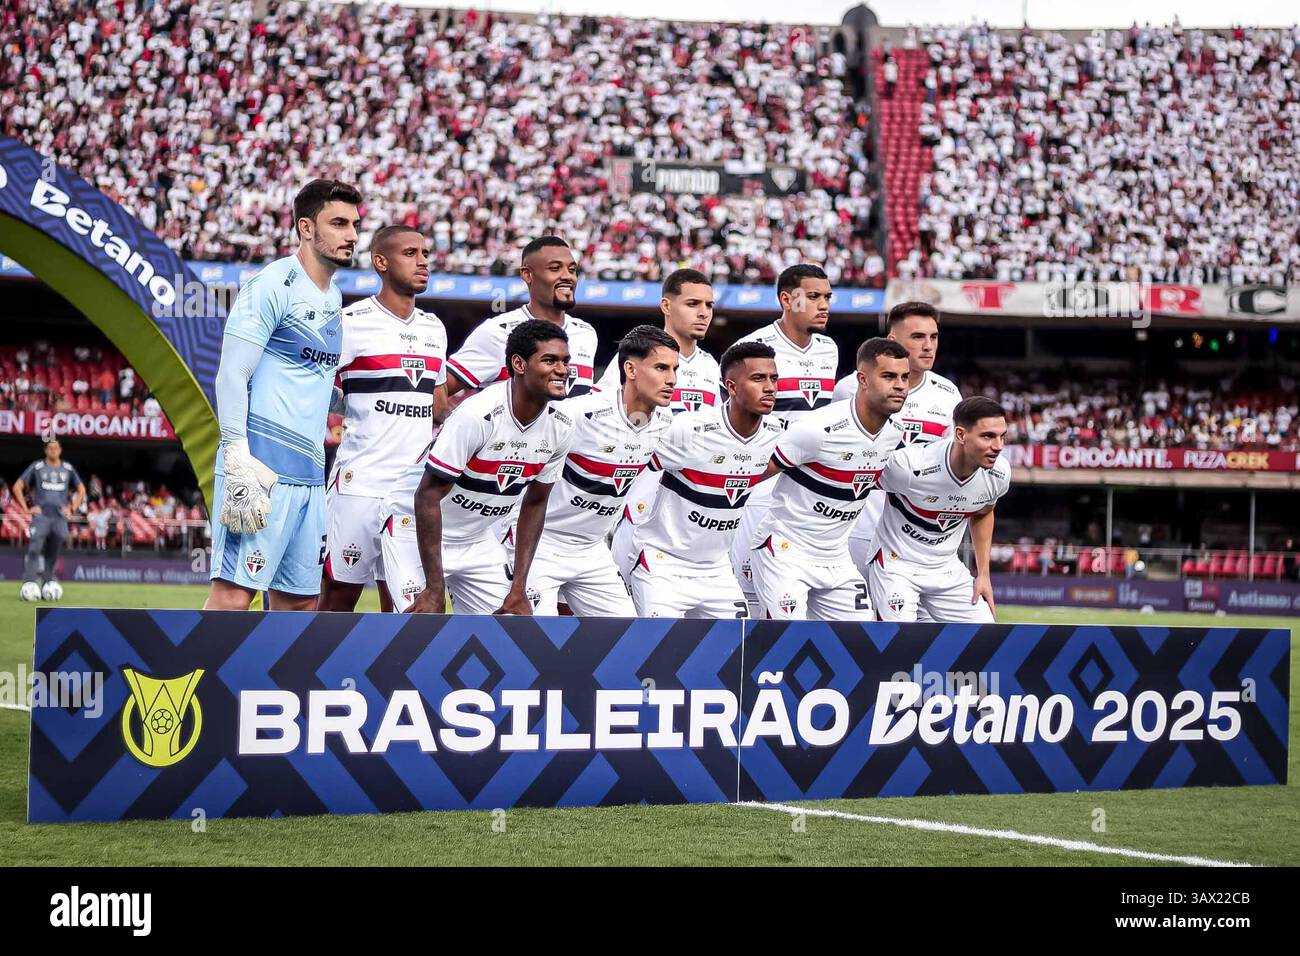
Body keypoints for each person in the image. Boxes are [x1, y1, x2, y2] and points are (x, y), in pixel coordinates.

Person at [203, 178, 362, 611]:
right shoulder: (270, 285)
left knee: (300, 604)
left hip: (310, 474)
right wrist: (237, 457)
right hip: (260, 469)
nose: (351, 235)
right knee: (234, 597)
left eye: (355, 224)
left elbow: (312, 378)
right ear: (306, 229)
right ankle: (195, 680)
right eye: (339, 223)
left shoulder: (333, 295)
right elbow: (231, 373)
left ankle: (265, 684)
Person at [395, 320, 576, 614]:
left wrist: (519, 586)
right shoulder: (476, 415)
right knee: (418, 634)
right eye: (549, 360)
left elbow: (536, 503)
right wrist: (435, 587)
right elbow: (426, 496)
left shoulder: (562, 426)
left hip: (477, 537)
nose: (562, 369)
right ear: (519, 364)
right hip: (411, 528)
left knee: (507, 636)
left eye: (565, 361)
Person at [319, 226, 448, 613]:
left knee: (406, 607)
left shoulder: (434, 328)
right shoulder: (349, 321)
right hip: (360, 483)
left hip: (412, 490)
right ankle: (313, 674)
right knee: (338, 600)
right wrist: (355, 404)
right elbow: (315, 388)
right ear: (381, 262)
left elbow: (438, 405)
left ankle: (394, 676)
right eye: (410, 253)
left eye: (425, 253)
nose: (423, 260)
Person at [751, 339, 909, 620]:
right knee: (782, 646)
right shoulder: (816, 429)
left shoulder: (893, 436)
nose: (900, 385)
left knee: (860, 644)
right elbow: (751, 475)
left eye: (904, 377)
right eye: (888, 376)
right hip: (786, 552)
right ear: (863, 379)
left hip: (837, 559)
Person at [527, 326, 677, 616]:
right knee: (533, 642)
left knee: (627, 644)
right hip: (540, 544)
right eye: (661, 368)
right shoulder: (578, 414)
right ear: (630, 369)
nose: (671, 379)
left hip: (593, 550)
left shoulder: (666, 423)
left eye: (674, 369)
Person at [629, 341, 782, 619]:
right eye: (758, 378)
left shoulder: (777, 434)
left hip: (717, 569)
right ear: (731, 387)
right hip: (664, 564)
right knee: (657, 657)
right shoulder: (689, 429)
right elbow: (632, 465)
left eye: (774, 378)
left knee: (736, 657)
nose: (770, 387)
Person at [728, 264, 840, 615]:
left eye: (827, 297)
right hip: (762, 485)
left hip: (809, 490)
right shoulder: (754, 349)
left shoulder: (829, 349)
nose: (823, 305)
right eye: (813, 297)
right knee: (750, 592)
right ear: (787, 299)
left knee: (799, 599)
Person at [598, 268, 722, 579]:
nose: (703, 313)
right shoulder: (637, 357)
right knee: (628, 602)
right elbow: (604, 417)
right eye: (693, 304)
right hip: (641, 490)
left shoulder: (711, 366)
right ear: (666, 305)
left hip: (692, 499)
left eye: (709, 305)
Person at [832, 301, 961, 584]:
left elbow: (949, 467)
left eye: (934, 337)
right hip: (859, 528)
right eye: (918, 337)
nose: (928, 346)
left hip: (917, 536)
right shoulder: (850, 389)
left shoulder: (948, 394)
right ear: (892, 340)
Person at [867, 396, 1011, 622]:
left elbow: (984, 512)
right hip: (898, 565)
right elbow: (855, 480)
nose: (998, 446)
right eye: (988, 436)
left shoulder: (999, 474)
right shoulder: (909, 466)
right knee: (896, 644)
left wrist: (983, 575)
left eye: (1002, 436)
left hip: (947, 568)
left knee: (985, 638)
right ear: (961, 435)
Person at [444, 236, 598, 399]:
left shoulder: (586, 333)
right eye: (555, 268)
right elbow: (437, 391)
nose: (568, 276)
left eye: (572, 270)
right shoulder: (497, 332)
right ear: (527, 275)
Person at [13, 437, 85, 592]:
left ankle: (48, 583)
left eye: (56, 448)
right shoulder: (37, 467)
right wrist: (26, 509)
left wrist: (72, 509)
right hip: (41, 517)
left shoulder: (68, 468)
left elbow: (82, 490)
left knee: (53, 552)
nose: (53, 451)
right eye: (50, 448)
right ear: (45, 450)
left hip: (59, 518)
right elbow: (17, 486)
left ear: (60, 450)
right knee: (34, 549)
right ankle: (29, 583)